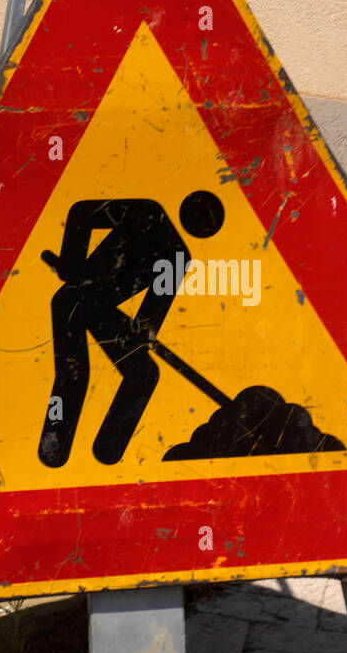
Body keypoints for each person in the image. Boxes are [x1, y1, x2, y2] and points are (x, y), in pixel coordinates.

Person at [38, 191, 224, 466]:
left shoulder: (178, 257)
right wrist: (72, 261)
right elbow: (81, 213)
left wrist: (144, 331)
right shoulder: (148, 213)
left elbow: (151, 314)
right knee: (73, 375)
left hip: (101, 311)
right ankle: (53, 446)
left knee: (144, 373)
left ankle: (108, 449)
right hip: (73, 303)